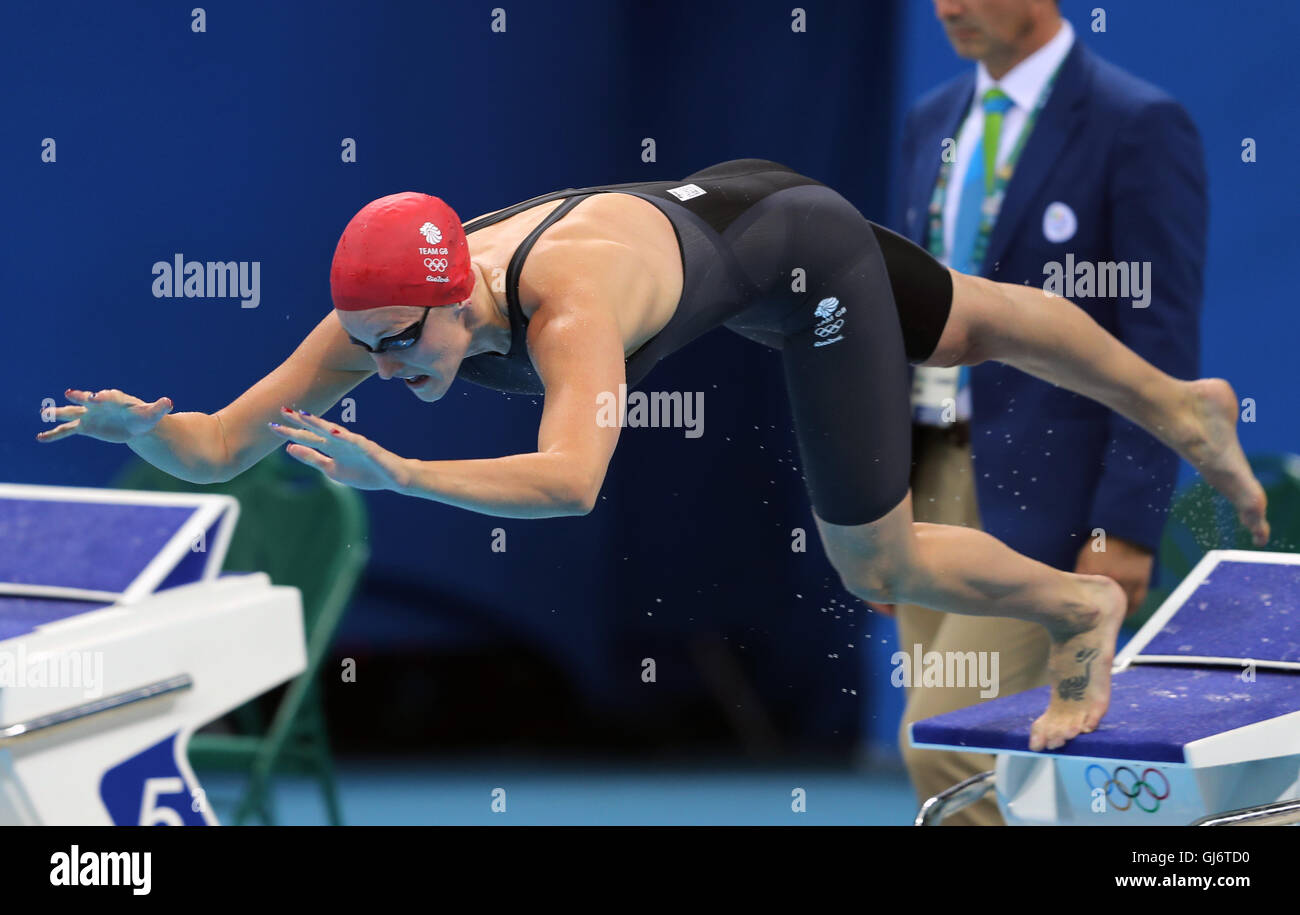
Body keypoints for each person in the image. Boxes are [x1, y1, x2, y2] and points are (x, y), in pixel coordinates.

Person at [36, 159, 1267, 751]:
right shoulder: (384, 312)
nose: (389, 371)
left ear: (457, 293)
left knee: (873, 566)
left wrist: (400, 478)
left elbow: (572, 485)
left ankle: (1072, 606)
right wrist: (152, 430)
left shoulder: (568, 310)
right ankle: (1185, 405)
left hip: (796, 258)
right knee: (976, 311)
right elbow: (216, 449)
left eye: (403, 346)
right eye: (367, 348)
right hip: (727, 209)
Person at [892, 0, 1209, 821]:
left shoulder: (1138, 124)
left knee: (950, 738)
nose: (949, 8)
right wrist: (874, 499)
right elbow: (897, 317)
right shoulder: (932, 120)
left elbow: (1158, 342)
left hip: (1049, 500)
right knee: (964, 747)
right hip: (927, 472)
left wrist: (1128, 524)